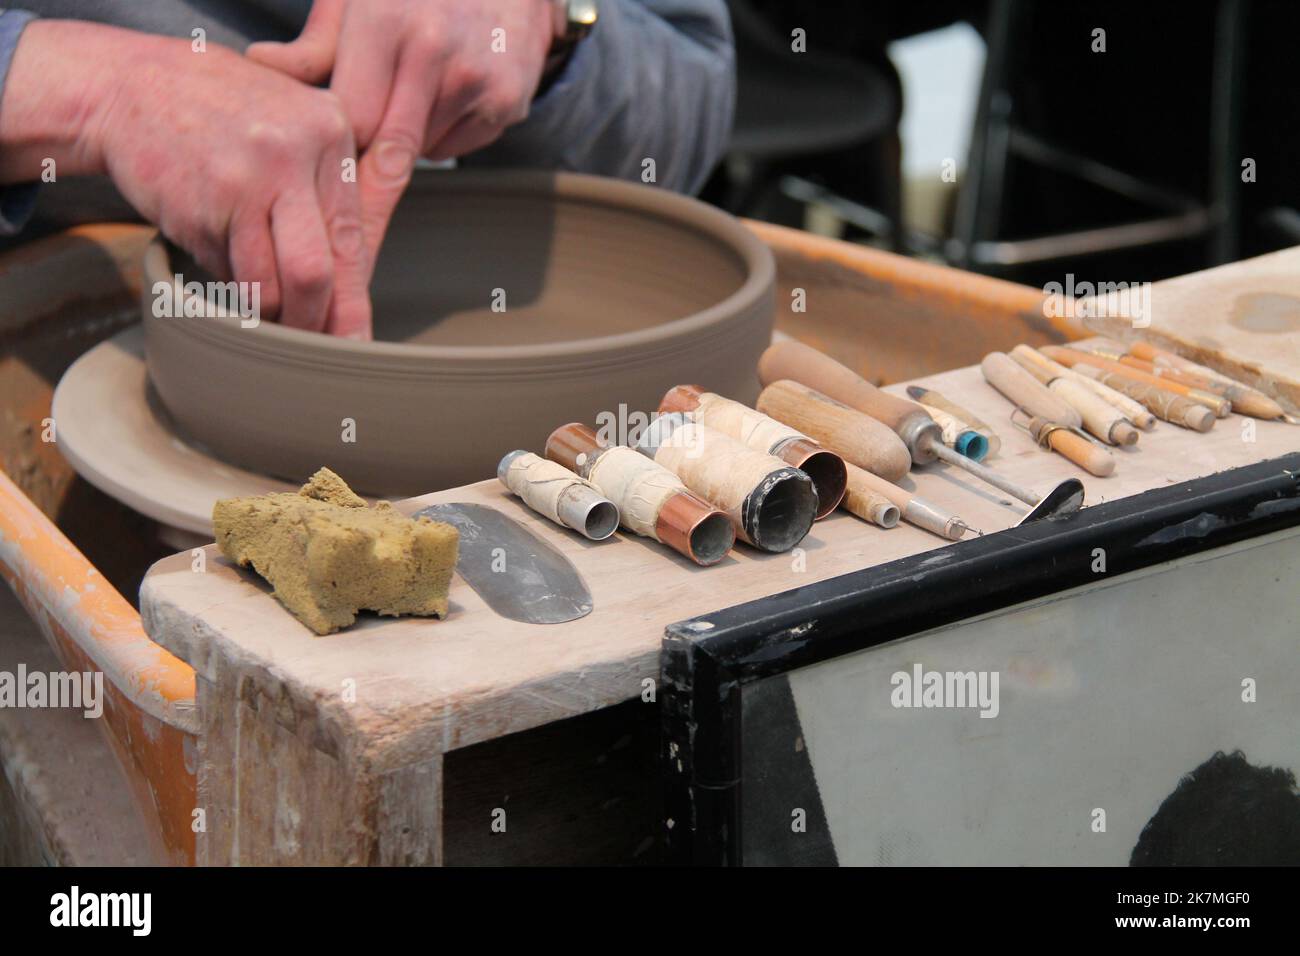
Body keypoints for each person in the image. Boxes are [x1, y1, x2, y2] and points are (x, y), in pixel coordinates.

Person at [0, 1, 735, 338]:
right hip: (86, 340)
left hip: (513, 419)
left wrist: (555, 29)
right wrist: (82, 91)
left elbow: (696, 83)